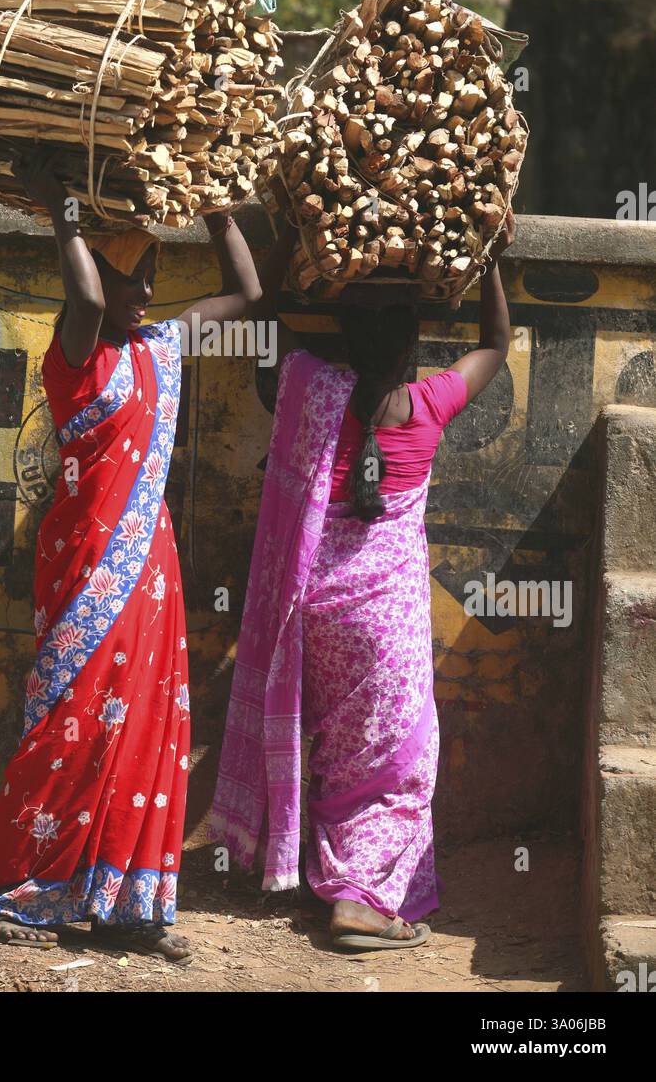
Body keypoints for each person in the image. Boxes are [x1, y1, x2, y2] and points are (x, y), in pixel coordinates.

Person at [0, 153, 263, 963]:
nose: (147, 294)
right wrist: (62, 210)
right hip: (88, 556)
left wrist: (219, 209)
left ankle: (126, 902)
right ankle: (14, 885)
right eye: (134, 279)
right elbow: (86, 292)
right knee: (69, 720)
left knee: (147, 727)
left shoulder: (163, 345)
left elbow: (249, 295)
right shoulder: (76, 353)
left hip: (150, 570)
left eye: (153, 277)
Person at [210, 207, 515, 951]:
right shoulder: (430, 406)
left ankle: (322, 874)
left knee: (328, 746)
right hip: (385, 623)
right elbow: (497, 346)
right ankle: (364, 895)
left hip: (311, 610)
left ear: (341, 337)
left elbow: (256, 316)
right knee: (393, 761)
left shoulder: (304, 387)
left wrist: (286, 229)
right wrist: (495, 254)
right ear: (413, 343)